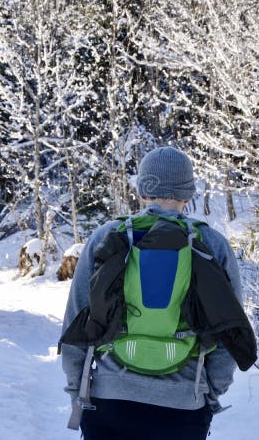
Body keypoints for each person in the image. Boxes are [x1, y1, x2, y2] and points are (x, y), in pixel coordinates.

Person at [60, 146, 243, 439]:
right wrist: (207, 393)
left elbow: (76, 324)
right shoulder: (211, 244)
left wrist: (78, 390)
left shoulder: (107, 237)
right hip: (183, 406)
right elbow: (229, 330)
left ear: (142, 191)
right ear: (188, 195)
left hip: (109, 401)